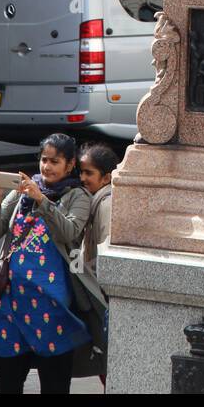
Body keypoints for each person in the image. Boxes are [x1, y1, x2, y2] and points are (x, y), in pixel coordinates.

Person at [0, 133, 91, 394]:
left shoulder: (78, 196)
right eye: (44, 160)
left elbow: (69, 232)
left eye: (55, 161)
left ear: (70, 164)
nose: (47, 167)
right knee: (8, 381)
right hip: (11, 301)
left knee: (54, 383)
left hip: (52, 306)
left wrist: (42, 200)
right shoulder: (23, 191)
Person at [77, 142, 118, 386]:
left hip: (103, 294)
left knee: (108, 363)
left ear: (107, 177)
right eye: (81, 172)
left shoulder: (106, 204)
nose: (82, 178)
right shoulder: (97, 200)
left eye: (88, 173)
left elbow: (106, 252)